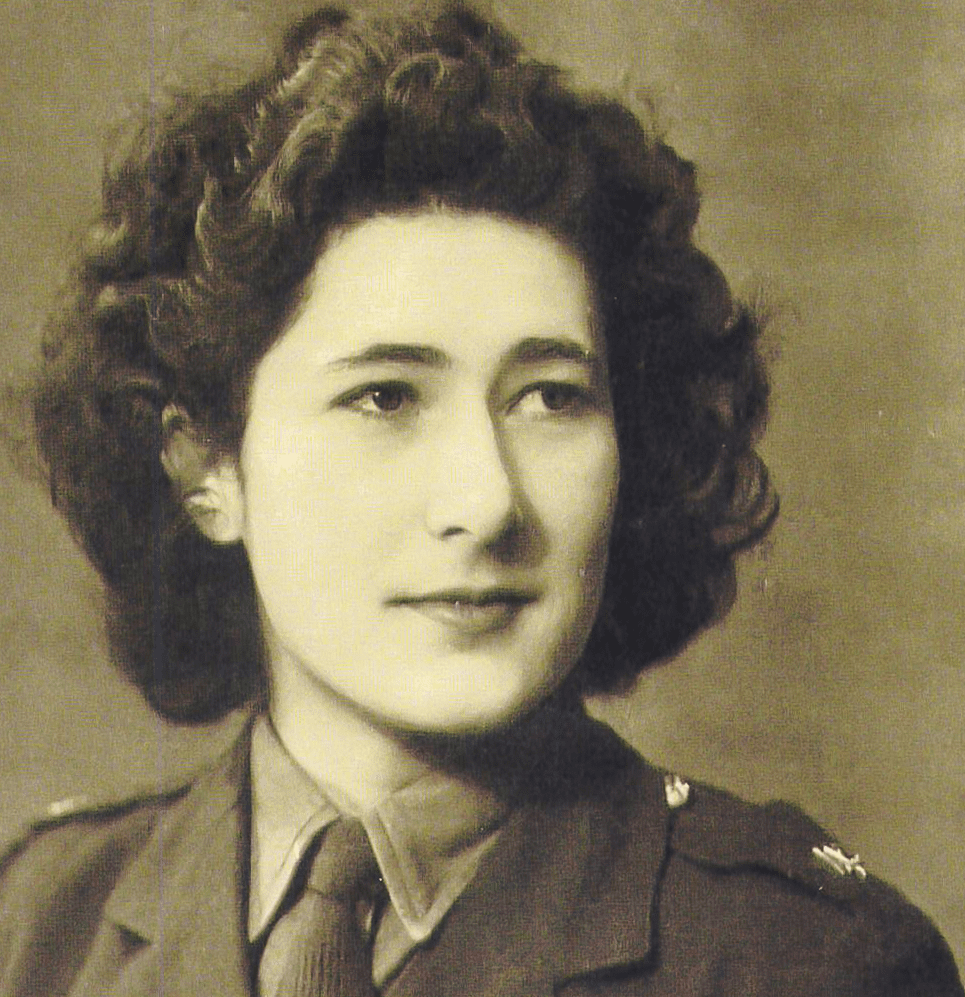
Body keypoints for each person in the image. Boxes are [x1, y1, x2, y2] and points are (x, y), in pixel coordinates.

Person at [0, 5, 960, 995]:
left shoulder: (805, 961)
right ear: (207, 468)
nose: (487, 500)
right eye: (384, 397)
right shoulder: (36, 923)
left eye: (549, 397)